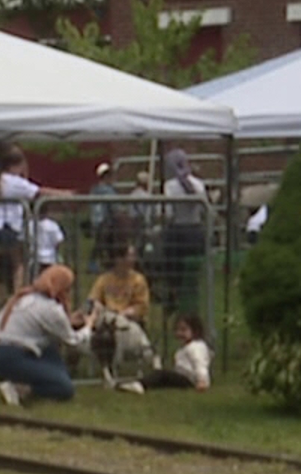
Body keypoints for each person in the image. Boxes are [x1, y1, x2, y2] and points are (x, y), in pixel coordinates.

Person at [0, 264, 90, 405]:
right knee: (65, 389)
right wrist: (89, 324)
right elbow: (74, 341)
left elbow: (41, 323)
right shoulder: (51, 309)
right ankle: (20, 389)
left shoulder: (26, 296)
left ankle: (45, 378)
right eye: (68, 288)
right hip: (10, 355)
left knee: (50, 349)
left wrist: (68, 321)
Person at [0, 146, 71, 299]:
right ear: (15, 165)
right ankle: (17, 296)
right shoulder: (13, 182)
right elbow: (38, 191)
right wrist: (63, 193)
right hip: (10, 228)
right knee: (18, 264)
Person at [160, 147, 210, 313]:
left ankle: (175, 295)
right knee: (192, 270)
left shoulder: (169, 186)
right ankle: (192, 299)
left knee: (175, 269)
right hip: (195, 232)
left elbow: (168, 213)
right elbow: (203, 211)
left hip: (177, 232)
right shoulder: (199, 184)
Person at [115, 315, 212, 394]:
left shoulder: (196, 347)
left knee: (162, 374)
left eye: (183, 330)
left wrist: (202, 380)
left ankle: (140, 385)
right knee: (162, 378)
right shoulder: (185, 348)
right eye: (177, 330)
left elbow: (200, 363)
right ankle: (139, 384)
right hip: (182, 377)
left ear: (195, 331)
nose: (179, 333)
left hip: (189, 380)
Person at [87, 243, 150, 324]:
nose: (133, 259)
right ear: (118, 259)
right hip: (107, 319)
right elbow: (93, 299)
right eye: (129, 256)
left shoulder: (138, 280)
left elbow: (141, 306)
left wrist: (123, 314)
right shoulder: (104, 279)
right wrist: (98, 306)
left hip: (130, 321)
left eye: (134, 256)